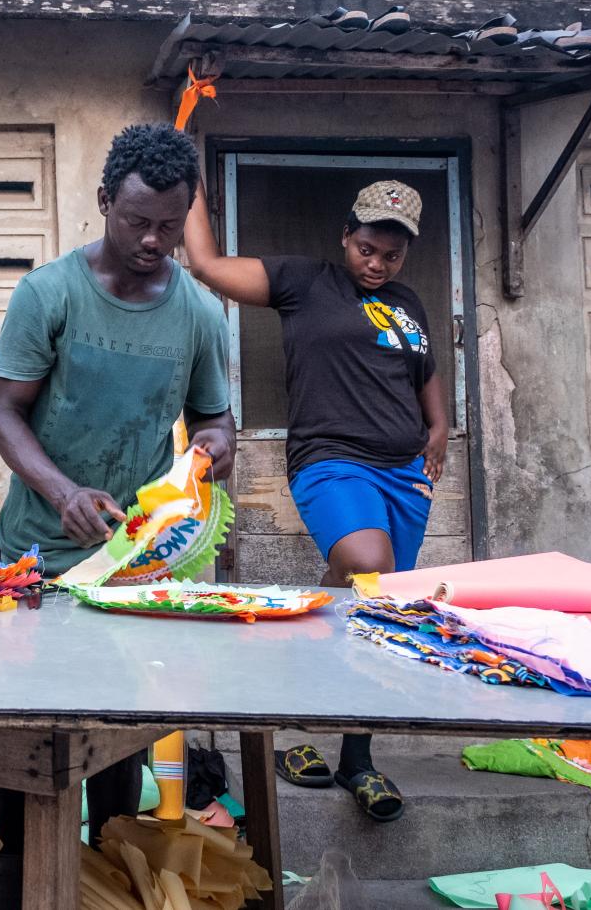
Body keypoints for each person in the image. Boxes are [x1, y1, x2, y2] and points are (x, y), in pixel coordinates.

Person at [0, 122, 236, 846]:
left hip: (133, 565)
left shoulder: (196, 312)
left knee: (116, 731)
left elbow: (215, 419)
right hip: (33, 559)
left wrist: (216, 446)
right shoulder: (48, 294)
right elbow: (4, 412)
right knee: (24, 737)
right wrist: (62, 492)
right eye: (137, 222)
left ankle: (105, 871)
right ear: (103, 202)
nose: (154, 240)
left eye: (169, 225)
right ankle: (17, 874)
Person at [182, 178, 448, 823]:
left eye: (390, 255)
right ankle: (293, 725)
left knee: (378, 609)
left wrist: (438, 429)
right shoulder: (306, 282)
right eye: (366, 249)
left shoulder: (408, 304)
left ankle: (356, 755)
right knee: (368, 562)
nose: (376, 264)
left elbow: (427, 371)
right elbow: (208, 265)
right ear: (345, 237)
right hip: (330, 460)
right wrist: (188, 185)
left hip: (403, 473)